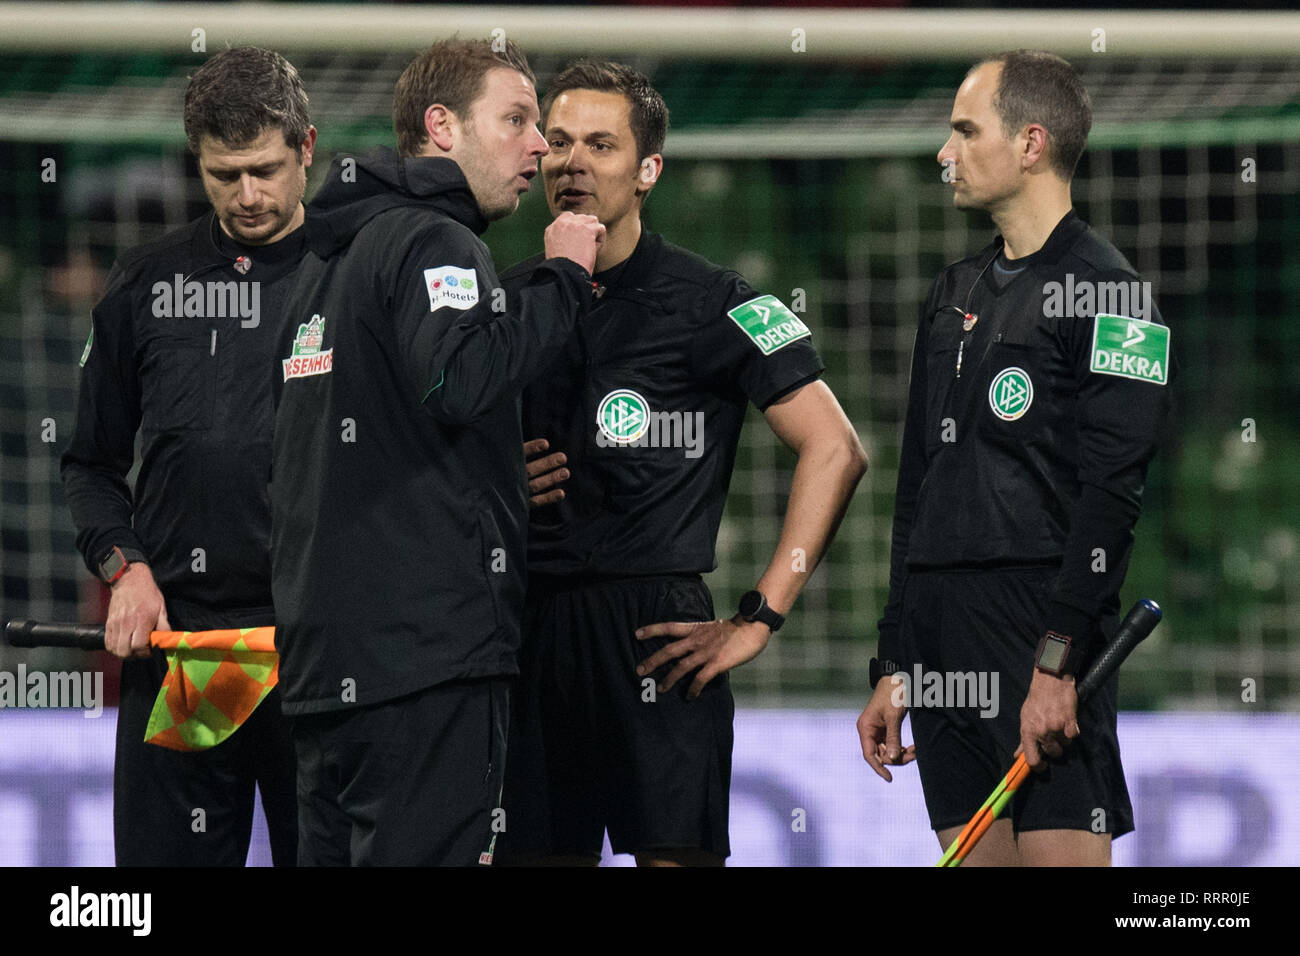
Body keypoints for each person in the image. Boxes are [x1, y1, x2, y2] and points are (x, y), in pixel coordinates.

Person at [499, 61, 867, 866]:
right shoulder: (504, 300)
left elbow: (835, 447)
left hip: (658, 634)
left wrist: (761, 615)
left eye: (601, 144)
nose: (573, 163)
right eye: (557, 142)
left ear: (648, 170)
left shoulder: (719, 301)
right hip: (521, 627)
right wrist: (490, 487)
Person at [268, 38, 603, 866]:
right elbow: (458, 377)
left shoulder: (322, 264)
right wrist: (562, 277)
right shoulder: (435, 240)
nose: (539, 145)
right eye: (517, 119)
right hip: (422, 662)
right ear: (441, 126)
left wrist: (482, 479)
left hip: (323, 670)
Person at [856, 50, 1172, 866]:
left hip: (1037, 635)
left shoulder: (1117, 297)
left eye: (964, 130)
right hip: (938, 637)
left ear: (1031, 143)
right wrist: (894, 660)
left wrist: (1058, 663)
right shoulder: (950, 291)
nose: (944, 152)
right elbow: (917, 487)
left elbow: (1113, 497)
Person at [61, 46, 315, 866]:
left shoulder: (362, 278)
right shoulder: (145, 284)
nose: (247, 195)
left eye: (266, 170)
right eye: (223, 174)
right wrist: (124, 567)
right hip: (187, 657)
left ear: (307, 147)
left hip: (327, 656)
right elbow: (91, 465)